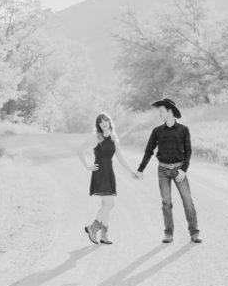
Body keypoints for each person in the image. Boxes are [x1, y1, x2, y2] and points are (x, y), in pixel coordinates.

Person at [136, 97, 202, 244]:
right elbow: (148, 151)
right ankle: (168, 233)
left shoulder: (184, 130)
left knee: (188, 201)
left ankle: (194, 232)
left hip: (180, 170)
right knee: (166, 203)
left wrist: (184, 170)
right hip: (163, 171)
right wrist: (141, 169)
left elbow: (188, 151)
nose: (159, 114)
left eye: (161, 111)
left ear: (169, 111)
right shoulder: (157, 131)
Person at [77, 111, 140, 245]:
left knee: (105, 205)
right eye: (101, 121)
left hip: (109, 173)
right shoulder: (96, 137)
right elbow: (80, 150)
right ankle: (92, 228)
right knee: (110, 204)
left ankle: (104, 236)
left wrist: (131, 172)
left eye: (106, 120)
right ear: (98, 125)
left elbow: (121, 158)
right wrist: (88, 166)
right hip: (100, 173)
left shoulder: (113, 138)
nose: (104, 123)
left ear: (110, 122)